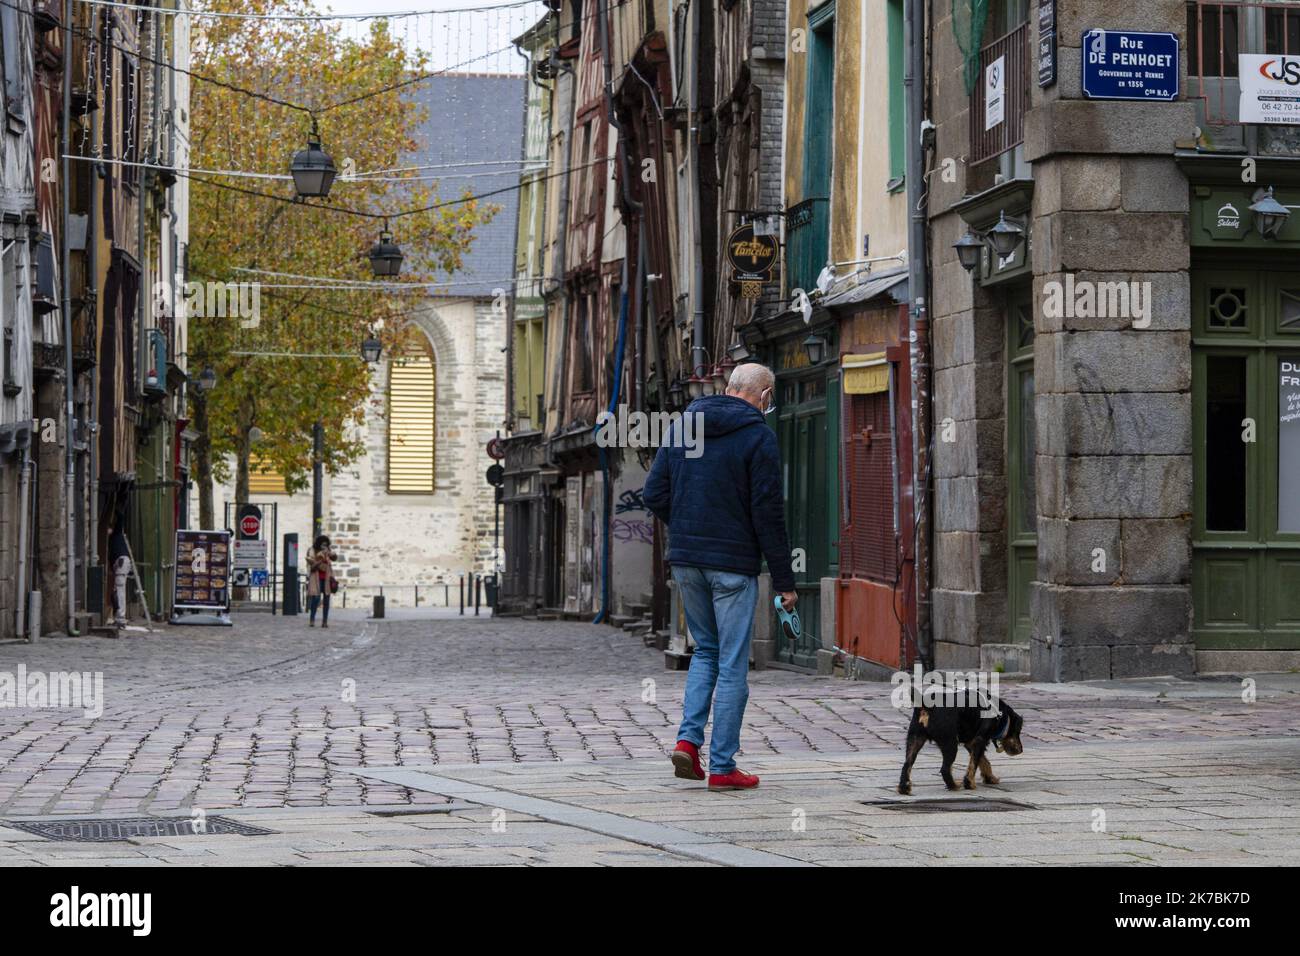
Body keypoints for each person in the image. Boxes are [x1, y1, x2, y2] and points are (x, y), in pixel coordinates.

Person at [643, 362, 797, 791]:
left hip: (687, 560)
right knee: (731, 662)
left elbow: (654, 493)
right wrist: (785, 583)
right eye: (770, 397)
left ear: (728, 389)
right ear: (764, 396)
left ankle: (688, 743)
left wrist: (690, 524)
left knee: (706, 651)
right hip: (732, 564)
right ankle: (724, 766)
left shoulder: (683, 426)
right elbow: (768, 515)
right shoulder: (757, 437)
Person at [306, 535, 337, 628]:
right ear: (319, 544)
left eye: (326, 545)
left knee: (327, 599)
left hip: (327, 578)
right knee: (316, 598)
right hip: (316, 577)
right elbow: (312, 566)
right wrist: (321, 559)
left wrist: (331, 554)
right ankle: (312, 619)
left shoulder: (328, 551)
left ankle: (325, 621)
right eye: (323, 544)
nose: (324, 546)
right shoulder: (312, 551)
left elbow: (335, 558)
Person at [108, 509, 131, 627]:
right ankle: (118, 615)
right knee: (118, 590)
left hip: (121, 562)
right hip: (118, 563)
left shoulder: (117, 534)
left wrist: (117, 509)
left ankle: (120, 617)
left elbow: (120, 519)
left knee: (120, 589)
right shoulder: (111, 540)